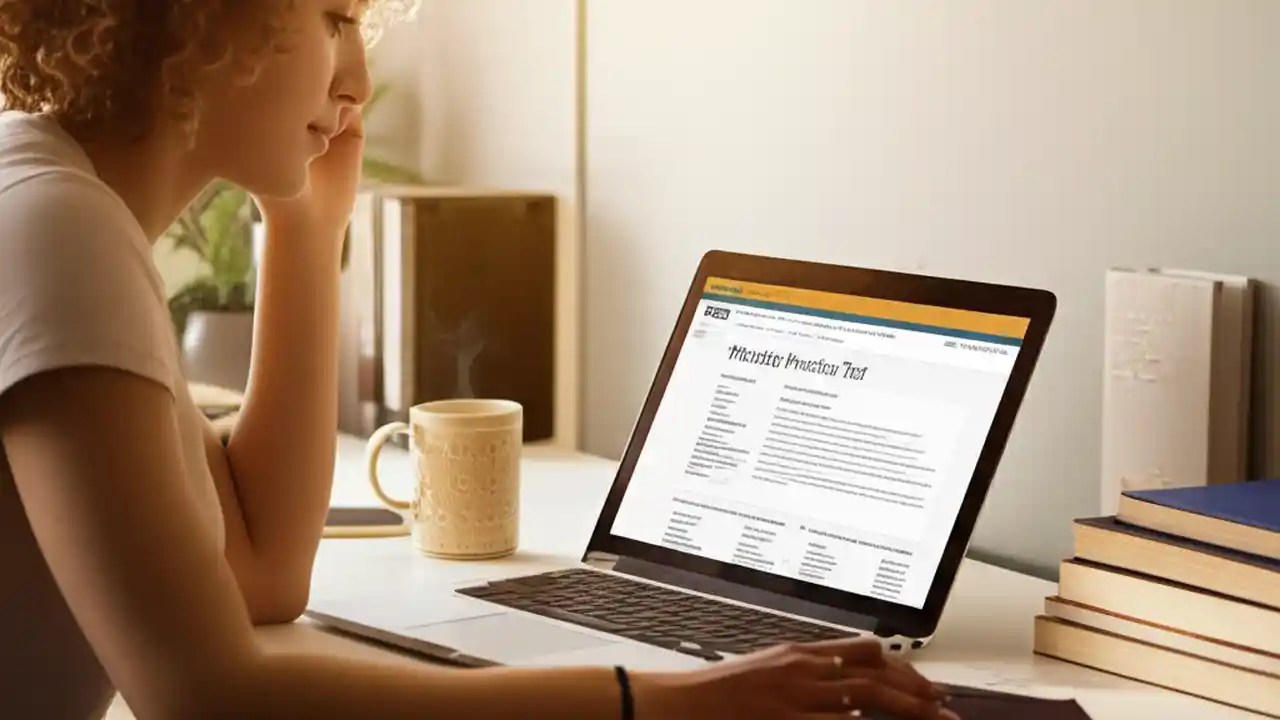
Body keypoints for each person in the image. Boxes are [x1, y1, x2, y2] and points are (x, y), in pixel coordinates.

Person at [0, 2, 960, 719]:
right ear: (206, 20)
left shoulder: (56, 201)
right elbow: (208, 695)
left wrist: (305, 232)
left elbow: (258, 571)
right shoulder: (57, 229)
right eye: (334, 16)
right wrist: (667, 701)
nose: (356, 82)